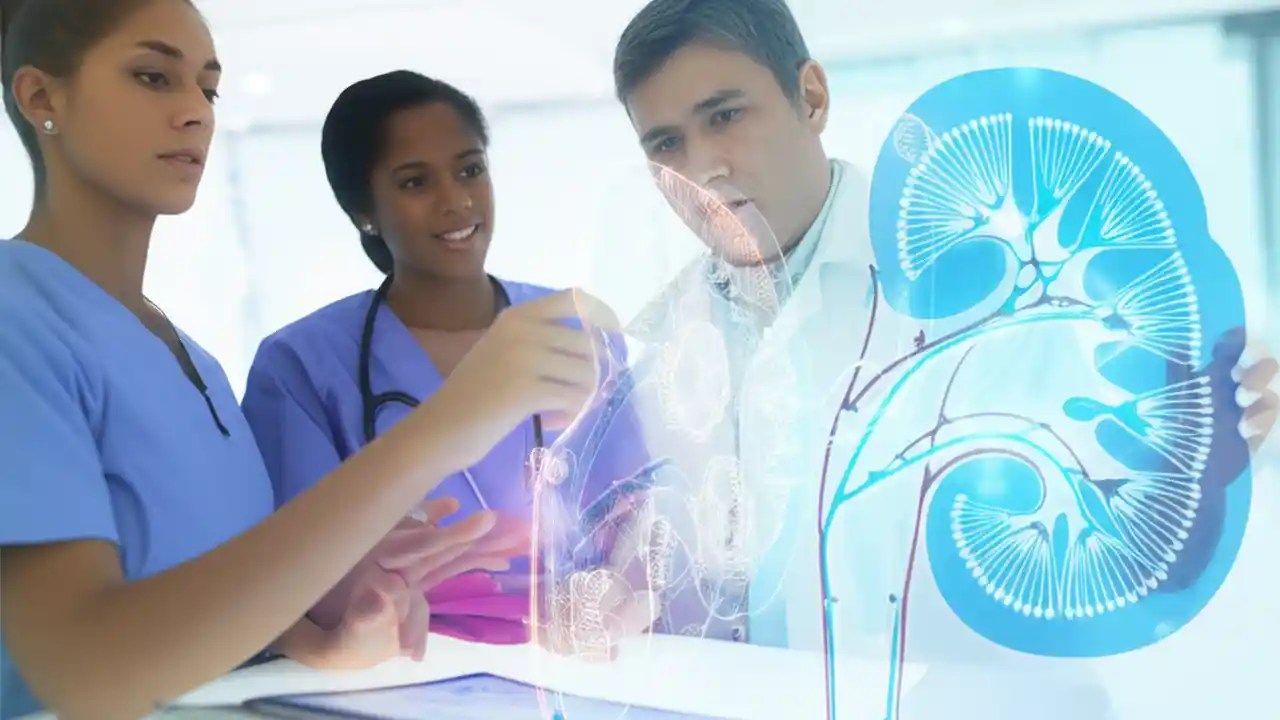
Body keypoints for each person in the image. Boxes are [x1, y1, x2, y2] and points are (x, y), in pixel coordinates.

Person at [609, 0, 1279, 716]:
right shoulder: (660, 352)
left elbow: (1139, 459)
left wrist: (1235, 410)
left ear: (811, 97)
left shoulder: (987, 277)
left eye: (724, 117)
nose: (702, 169)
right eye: (666, 145)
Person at [0, 2, 617, 718]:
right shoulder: (17, 318)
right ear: (42, 97)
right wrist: (448, 423)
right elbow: (78, 671)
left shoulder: (187, 356)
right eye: (152, 77)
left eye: (208, 87)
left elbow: (204, 579)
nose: (196, 112)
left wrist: (324, 637)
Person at [239, 70, 658, 652]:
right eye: (415, 182)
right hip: (397, 666)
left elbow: (644, 513)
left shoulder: (574, 332)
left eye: (470, 169)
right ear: (363, 209)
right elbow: (288, 575)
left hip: (574, 659)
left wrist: (621, 594)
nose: (456, 200)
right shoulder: (300, 367)